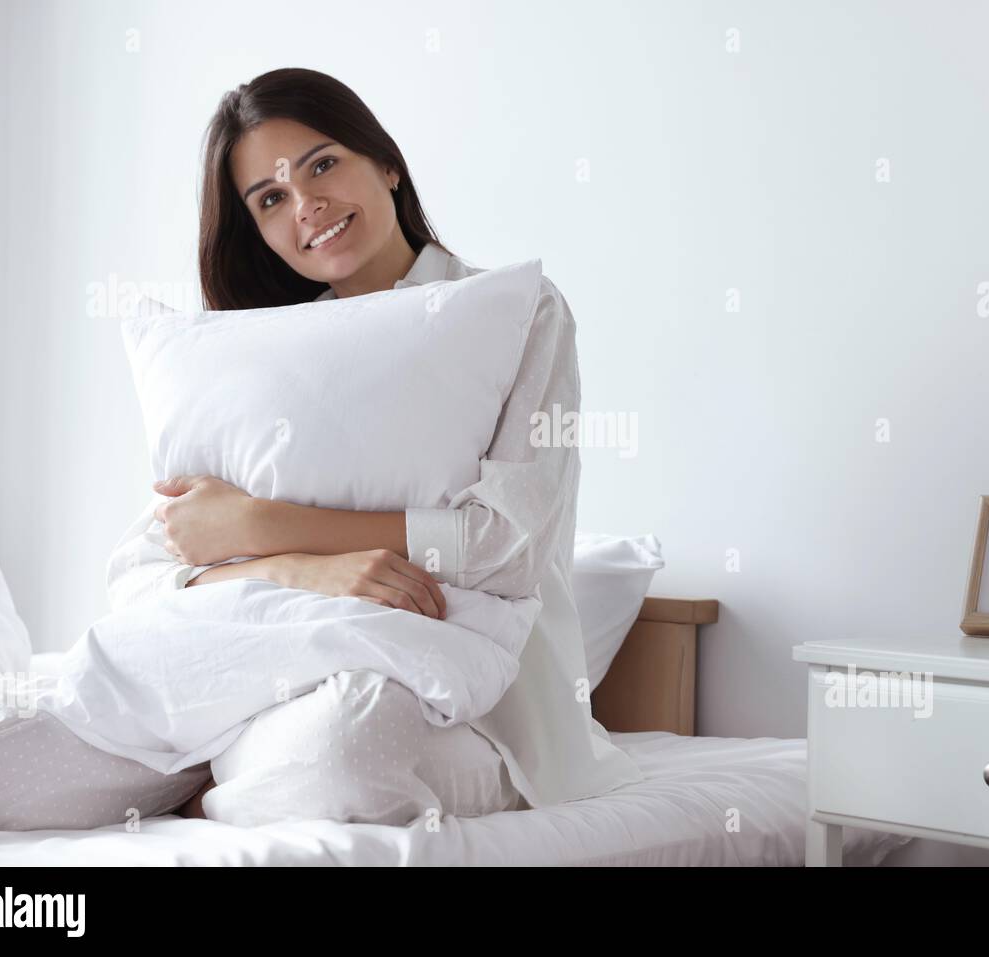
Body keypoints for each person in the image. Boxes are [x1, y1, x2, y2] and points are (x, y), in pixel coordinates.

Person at [106, 67, 643, 821]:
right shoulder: (264, 355)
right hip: (282, 657)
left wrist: (263, 525)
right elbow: (147, 567)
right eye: (271, 198)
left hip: (473, 701)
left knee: (338, 754)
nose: (308, 205)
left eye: (322, 164)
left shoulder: (517, 313)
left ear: (386, 162)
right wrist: (297, 568)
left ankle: (221, 788)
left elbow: (506, 546)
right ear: (257, 230)